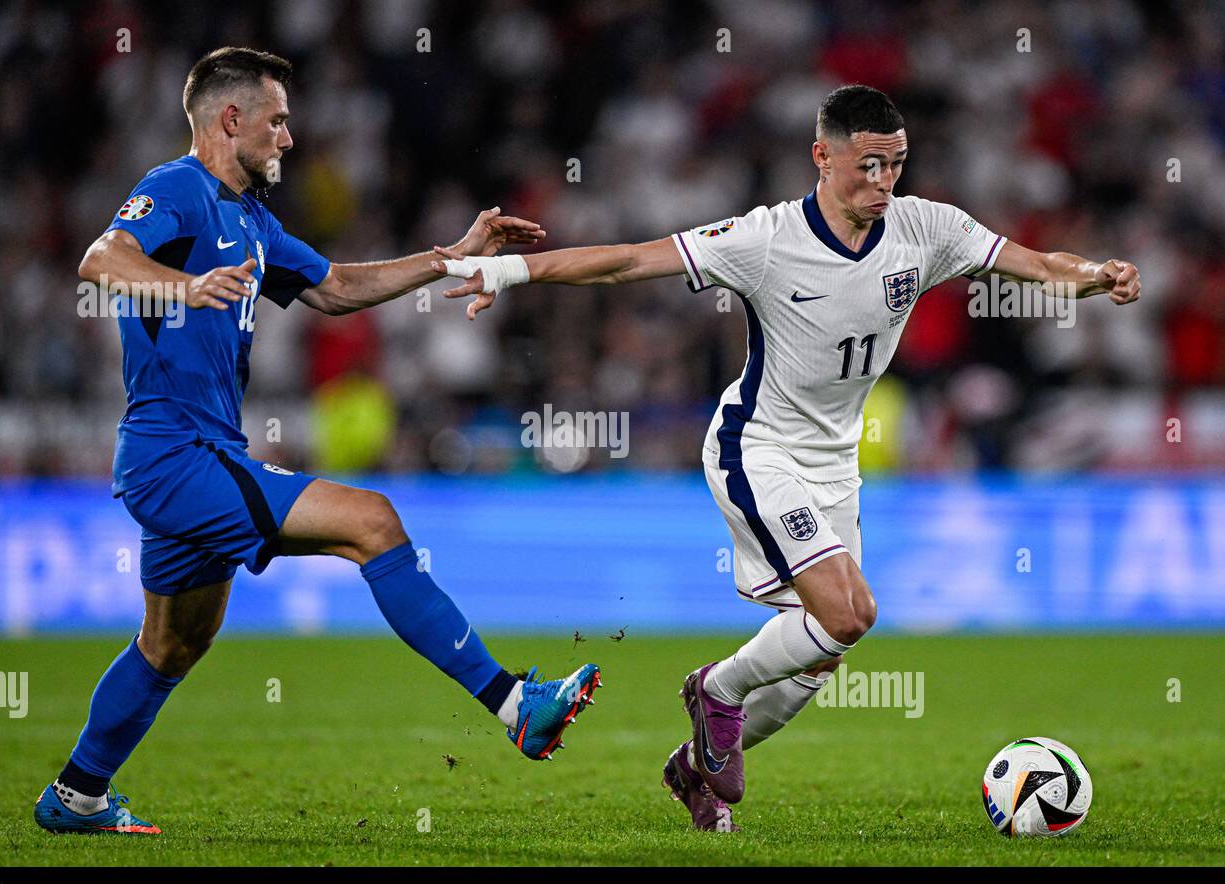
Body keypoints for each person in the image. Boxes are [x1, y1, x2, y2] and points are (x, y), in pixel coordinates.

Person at [433, 84, 1140, 831]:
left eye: (895, 165)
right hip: (757, 447)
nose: (883, 183)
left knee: (820, 656)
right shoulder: (766, 239)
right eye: (867, 165)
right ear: (821, 157)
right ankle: (715, 690)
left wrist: (1093, 275)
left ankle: (692, 765)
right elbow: (629, 262)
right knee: (850, 611)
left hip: (835, 464)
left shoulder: (926, 229)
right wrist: (509, 272)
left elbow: (1030, 265)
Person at [35, 47, 600, 836]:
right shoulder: (178, 190)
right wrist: (185, 285)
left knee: (171, 646)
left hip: (194, 458)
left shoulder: (251, 220)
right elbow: (103, 258)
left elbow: (335, 288)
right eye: (278, 121)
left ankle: (75, 796)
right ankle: (514, 704)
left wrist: (451, 258)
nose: (289, 138)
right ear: (231, 120)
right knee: (371, 522)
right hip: (178, 457)